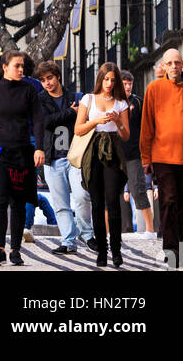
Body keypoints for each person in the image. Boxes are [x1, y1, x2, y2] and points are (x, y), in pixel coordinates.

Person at [0, 48, 45, 267]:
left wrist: (39, 148)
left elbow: (38, 120)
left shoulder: (29, 90)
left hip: (23, 152)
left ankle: (15, 250)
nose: (21, 69)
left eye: (22, 66)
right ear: (4, 67)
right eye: (16, 65)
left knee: (18, 203)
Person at [140, 46, 183, 270]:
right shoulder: (154, 88)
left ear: (182, 64)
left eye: (177, 63)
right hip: (162, 157)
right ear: (162, 65)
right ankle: (170, 253)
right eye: (169, 63)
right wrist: (146, 158)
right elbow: (147, 126)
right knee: (169, 203)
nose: (173, 67)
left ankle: (180, 253)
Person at [74, 61, 130, 269]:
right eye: (106, 79)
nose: (109, 83)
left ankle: (116, 250)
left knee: (113, 201)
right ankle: (102, 251)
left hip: (113, 152)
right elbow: (78, 129)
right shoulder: (88, 99)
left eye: (112, 80)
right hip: (92, 149)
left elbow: (125, 135)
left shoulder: (121, 103)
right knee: (96, 203)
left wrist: (118, 121)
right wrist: (96, 121)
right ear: (100, 79)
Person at [36, 59, 94, 255]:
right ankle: (68, 241)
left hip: (75, 156)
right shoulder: (40, 100)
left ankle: (87, 235)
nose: (47, 83)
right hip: (52, 157)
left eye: (50, 78)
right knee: (61, 204)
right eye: (43, 80)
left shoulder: (76, 96)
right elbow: (45, 122)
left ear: (58, 76)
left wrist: (72, 112)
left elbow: (86, 119)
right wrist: (70, 112)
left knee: (82, 196)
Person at [119, 70, 156, 238]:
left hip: (134, 154)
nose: (127, 86)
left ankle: (150, 228)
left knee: (138, 189)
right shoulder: (111, 101)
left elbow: (146, 127)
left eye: (130, 83)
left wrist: (147, 152)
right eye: (124, 83)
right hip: (114, 153)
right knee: (110, 192)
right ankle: (107, 231)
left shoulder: (138, 102)